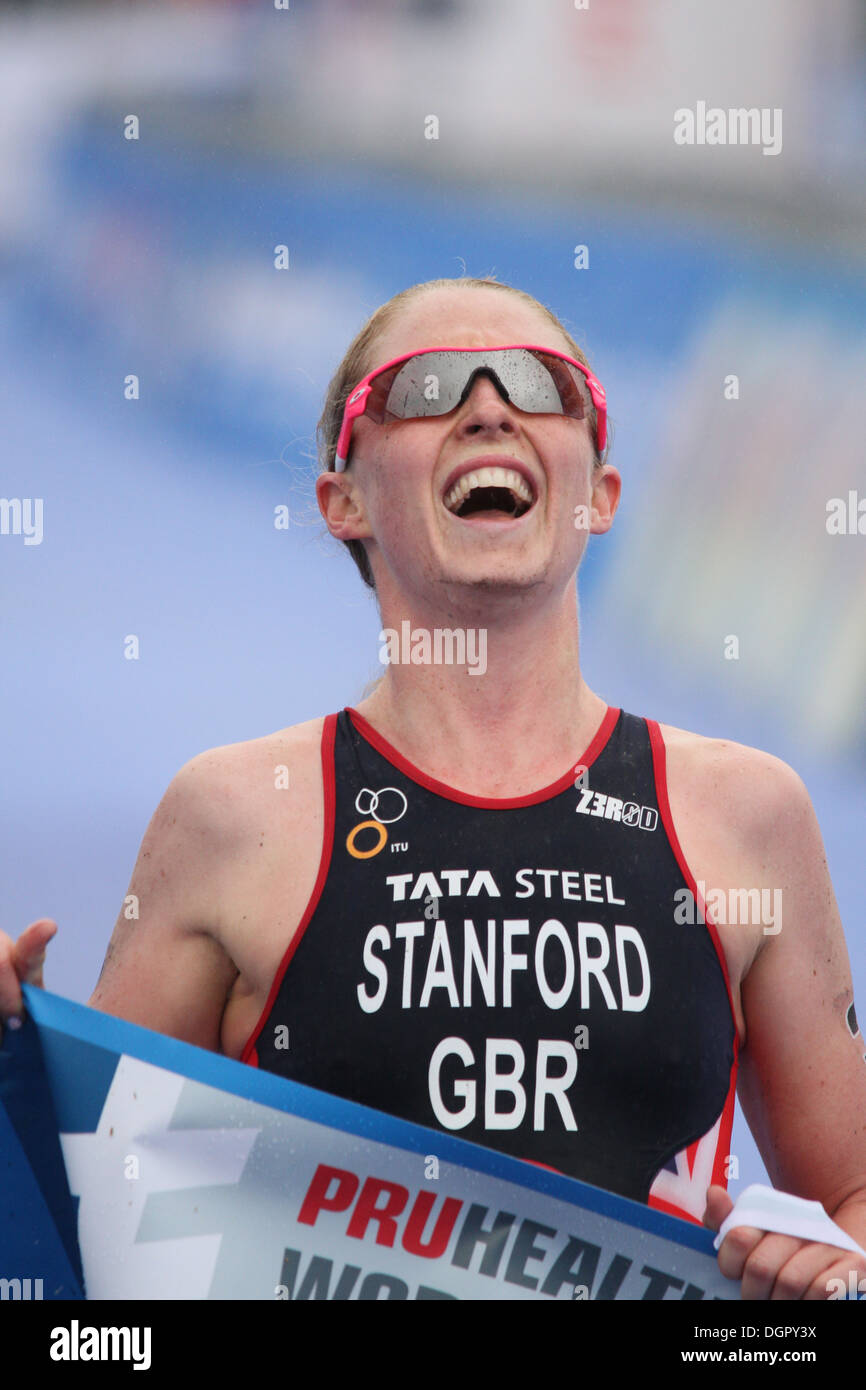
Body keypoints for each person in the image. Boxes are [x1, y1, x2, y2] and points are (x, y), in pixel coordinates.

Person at [2, 275, 865, 1302]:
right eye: (427, 388)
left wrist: (829, 1270)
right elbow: (95, 1215)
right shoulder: (237, 816)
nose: (489, 405)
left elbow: (850, 1193)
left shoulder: (744, 814)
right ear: (343, 500)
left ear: (600, 491)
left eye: (542, 384)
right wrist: (17, 1061)